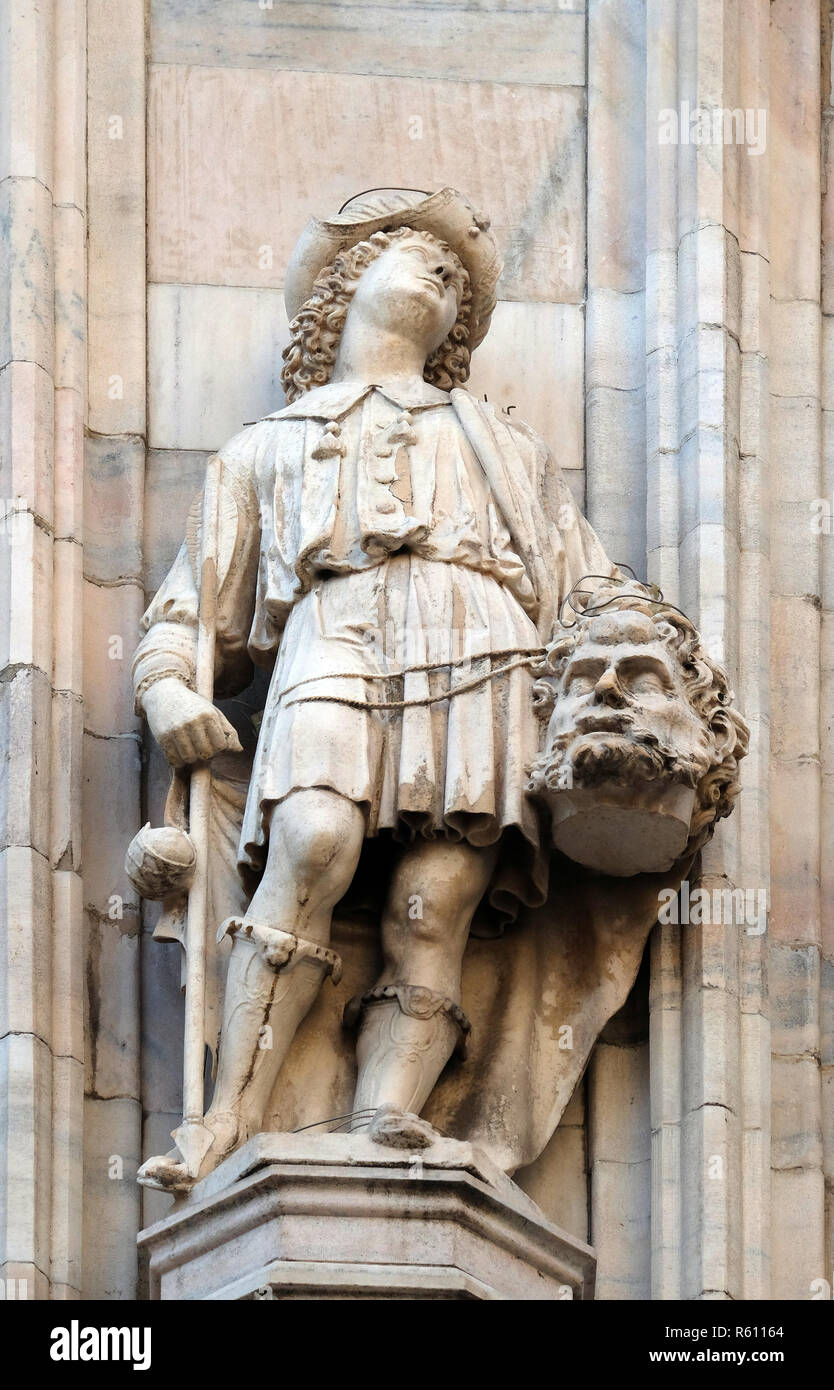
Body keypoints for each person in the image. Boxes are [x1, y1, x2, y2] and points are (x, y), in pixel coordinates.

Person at [134, 188, 616, 1190]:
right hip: (334, 636)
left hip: (484, 650)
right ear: (346, 287)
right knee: (312, 838)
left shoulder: (508, 448)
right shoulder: (261, 450)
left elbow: (590, 598)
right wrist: (169, 688)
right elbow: (189, 608)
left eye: (457, 274)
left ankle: (386, 1110)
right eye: (416, 256)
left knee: (434, 899)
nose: (443, 275)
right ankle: (232, 1114)